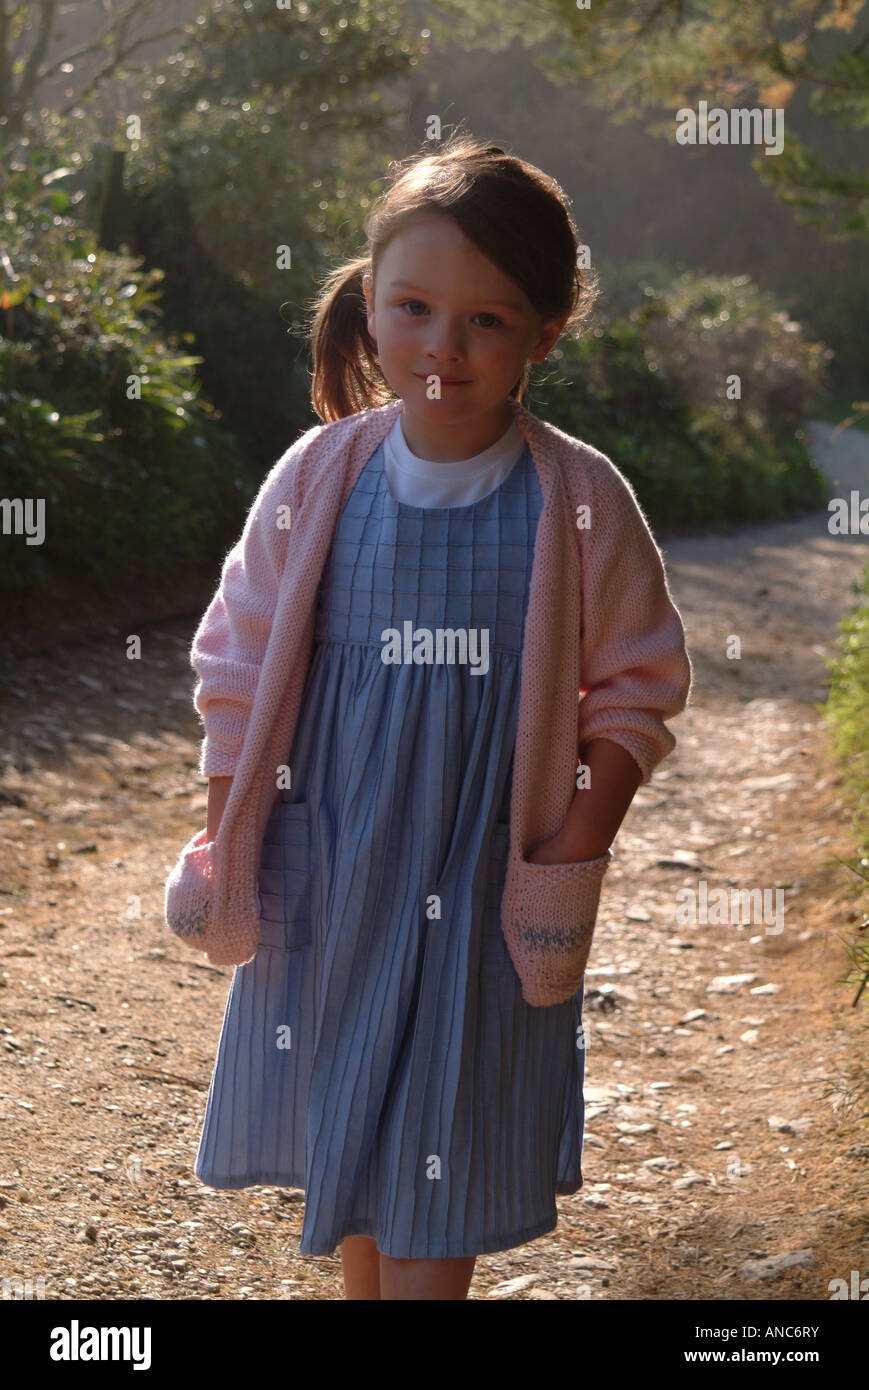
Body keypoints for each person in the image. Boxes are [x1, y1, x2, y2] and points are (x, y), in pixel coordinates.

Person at [165, 129, 693, 1300]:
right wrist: (231, 827)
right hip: (334, 864)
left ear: (542, 334)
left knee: (439, 1140)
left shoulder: (577, 499)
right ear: (367, 305)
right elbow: (236, 662)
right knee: (353, 1130)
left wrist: (578, 830)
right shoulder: (318, 476)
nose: (442, 348)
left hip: (479, 879)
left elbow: (640, 683)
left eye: (486, 321)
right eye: (411, 308)